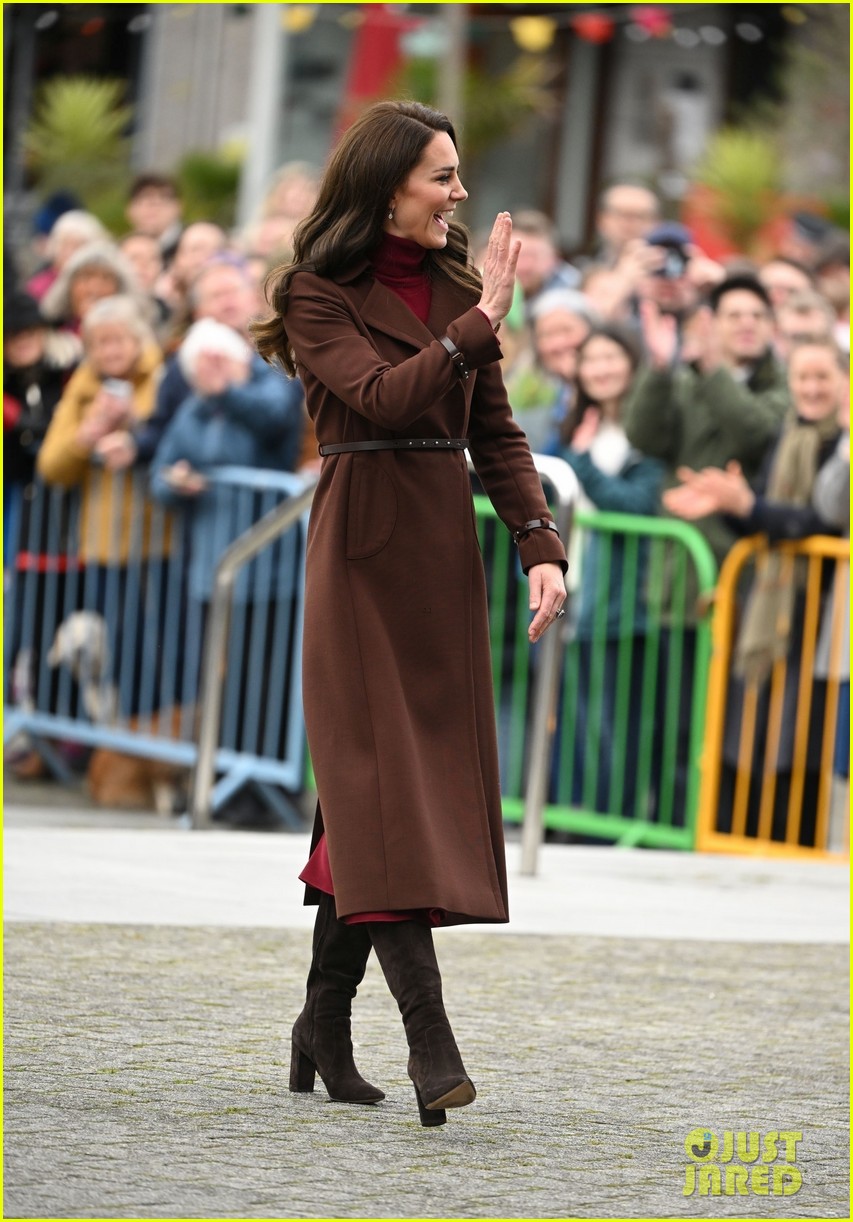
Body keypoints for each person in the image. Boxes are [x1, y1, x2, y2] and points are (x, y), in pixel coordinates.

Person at [252, 99, 567, 1126]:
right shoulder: (315, 292)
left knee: (370, 789)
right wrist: (477, 328)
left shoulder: (455, 286)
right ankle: (433, 1044)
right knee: (379, 785)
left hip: (438, 555)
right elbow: (383, 400)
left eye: (458, 175)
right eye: (441, 175)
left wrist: (538, 547)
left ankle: (320, 1018)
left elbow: (497, 435)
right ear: (389, 184)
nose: (458, 192)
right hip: (357, 548)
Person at [664, 336, 846, 844]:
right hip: (769, 604)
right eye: (803, 378)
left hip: (818, 612)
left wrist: (749, 507)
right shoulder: (785, 435)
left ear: (843, 384)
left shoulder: (841, 444)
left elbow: (823, 523)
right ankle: (737, 839)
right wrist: (729, 504)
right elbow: (762, 519)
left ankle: (793, 845)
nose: (811, 388)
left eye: (822, 378)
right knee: (749, 728)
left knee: (801, 735)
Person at [551, 324, 664, 820]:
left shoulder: (648, 433)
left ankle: (608, 819)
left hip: (625, 600)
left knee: (616, 722)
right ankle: (576, 815)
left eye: (612, 357)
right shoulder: (572, 428)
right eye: (591, 359)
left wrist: (581, 461)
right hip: (575, 589)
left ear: (633, 364)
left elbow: (636, 504)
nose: (601, 369)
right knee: (575, 717)